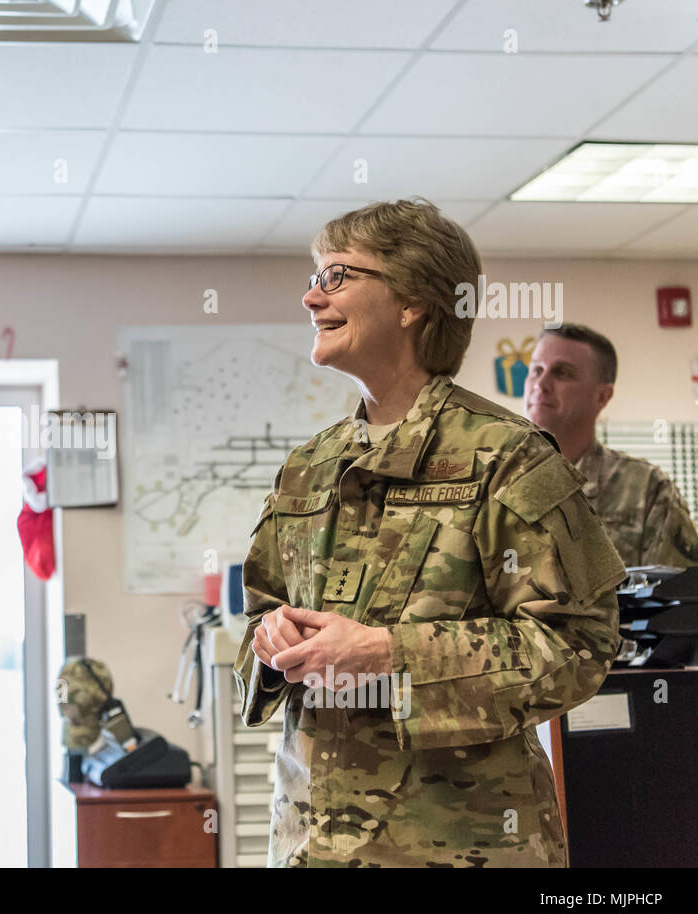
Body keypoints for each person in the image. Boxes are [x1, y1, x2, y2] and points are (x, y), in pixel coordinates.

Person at [234, 199, 625, 867]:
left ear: (413, 301)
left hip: (460, 844)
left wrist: (390, 653)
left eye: (336, 276)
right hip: (311, 841)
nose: (311, 296)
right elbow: (258, 623)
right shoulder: (308, 467)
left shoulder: (508, 456)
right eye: (314, 277)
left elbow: (579, 643)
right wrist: (270, 640)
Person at [525, 324, 698, 567]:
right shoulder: (494, 479)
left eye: (562, 373)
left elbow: (675, 598)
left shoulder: (647, 489)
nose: (541, 384)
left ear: (602, 396)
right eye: (536, 369)